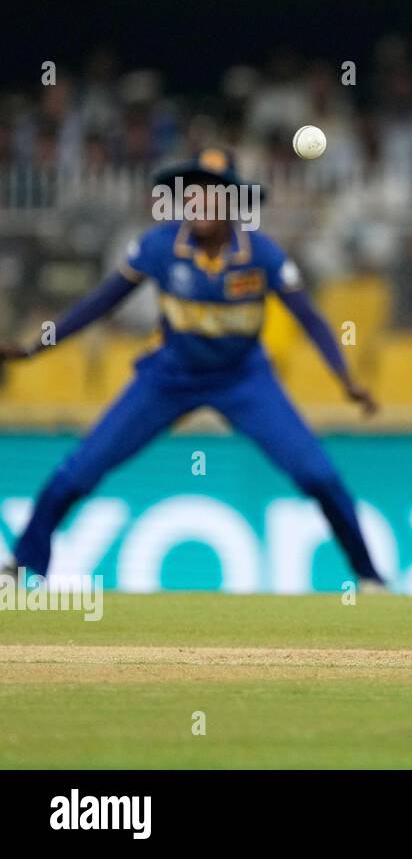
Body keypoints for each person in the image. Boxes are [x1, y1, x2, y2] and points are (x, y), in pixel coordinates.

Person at [0, 148, 385, 591]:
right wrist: (34, 347)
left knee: (319, 476)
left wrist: (346, 380)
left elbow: (310, 318)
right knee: (79, 471)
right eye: (193, 193)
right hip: (169, 376)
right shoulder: (159, 246)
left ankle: (369, 578)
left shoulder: (261, 254)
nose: (202, 203)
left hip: (243, 378)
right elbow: (98, 304)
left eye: (215, 194)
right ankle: (23, 567)